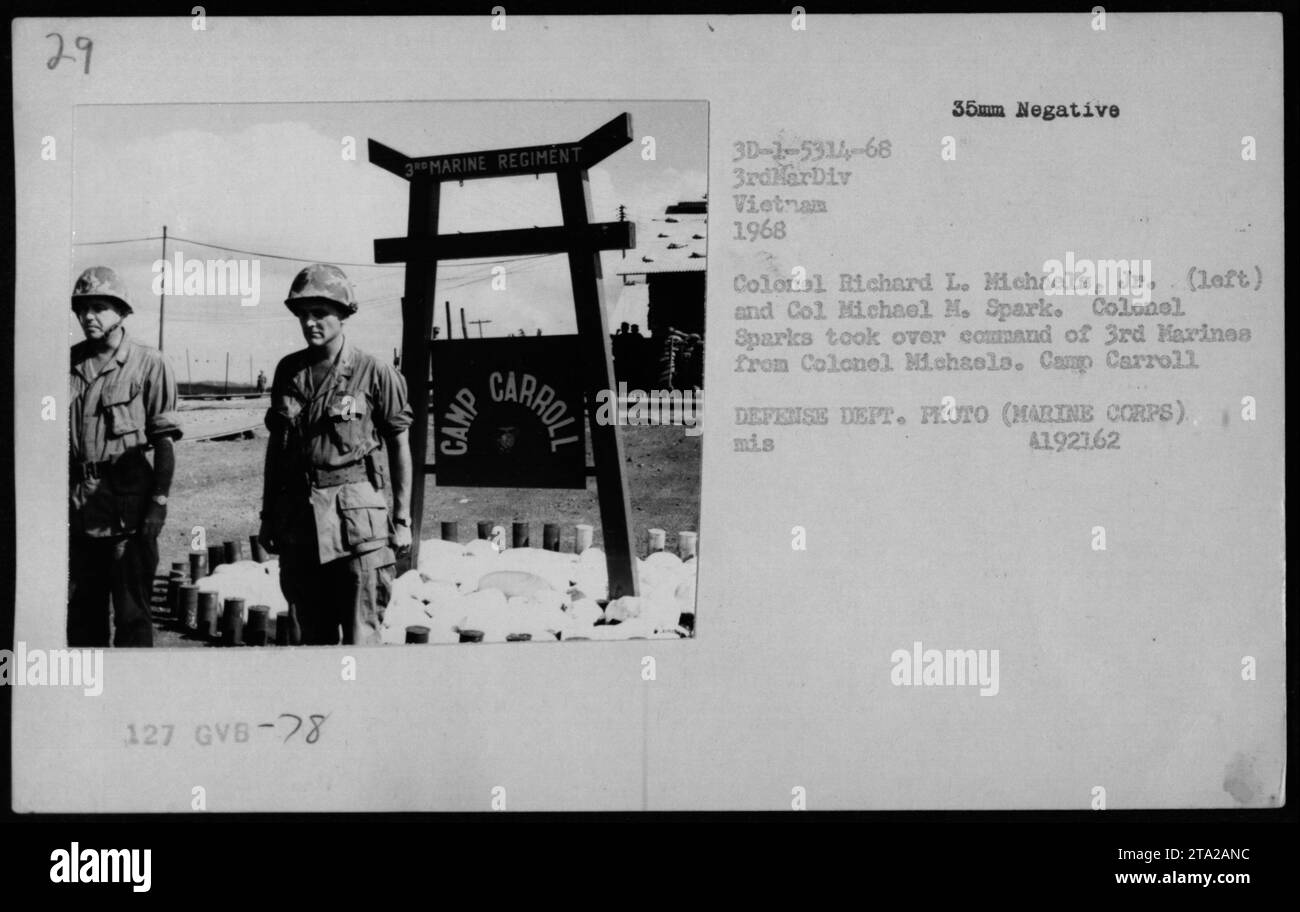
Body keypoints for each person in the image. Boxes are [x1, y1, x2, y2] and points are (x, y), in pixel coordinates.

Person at [258, 264, 413, 645]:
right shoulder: (288, 371)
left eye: (320, 313)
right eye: (303, 314)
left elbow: (399, 444)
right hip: (299, 521)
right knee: (311, 636)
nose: (310, 323)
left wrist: (403, 518)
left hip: (358, 522)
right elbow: (276, 450)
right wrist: (268, 516)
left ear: (343, 314)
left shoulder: (374, 372)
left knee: (362, 634)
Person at [68, 266, 183, 647]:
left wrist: (159, 504)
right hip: (78, 515)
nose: (88, 316)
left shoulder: (149, 363)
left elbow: (164, 441)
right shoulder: (67, 364)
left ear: (121, 312)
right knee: (82, 620)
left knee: (132, 619)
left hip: (128, 517)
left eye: (99, 307)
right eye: (82, 309)